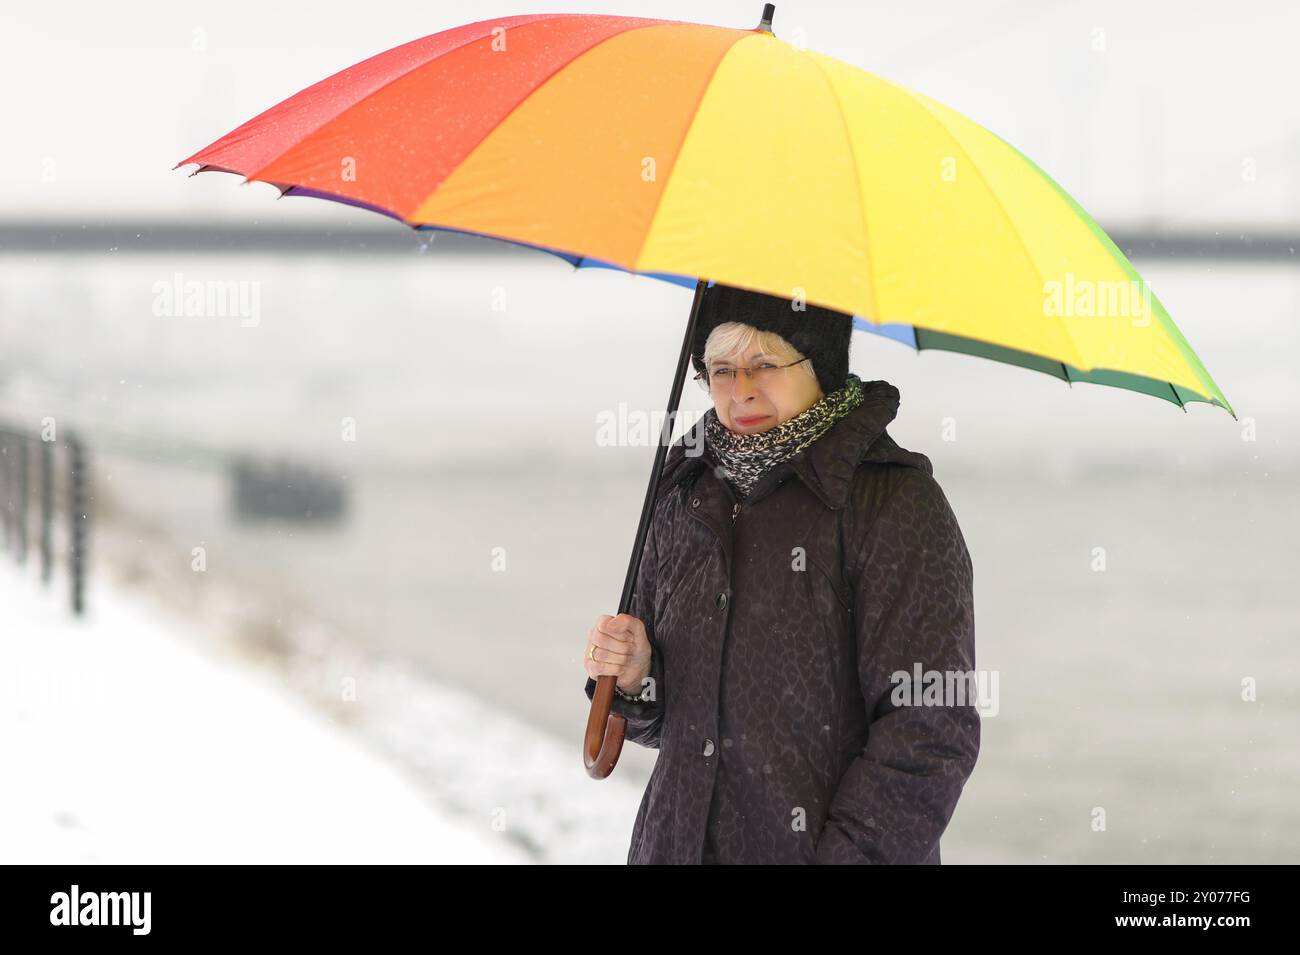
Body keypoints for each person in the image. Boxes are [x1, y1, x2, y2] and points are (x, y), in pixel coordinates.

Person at [583, 281, 980, 864]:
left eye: (764, 363)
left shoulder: (893, 504)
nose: (740, 390)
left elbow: (930, 731)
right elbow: (662, 726)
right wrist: (640, 677)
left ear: (820, 365)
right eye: (720, 369)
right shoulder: (685, 492)